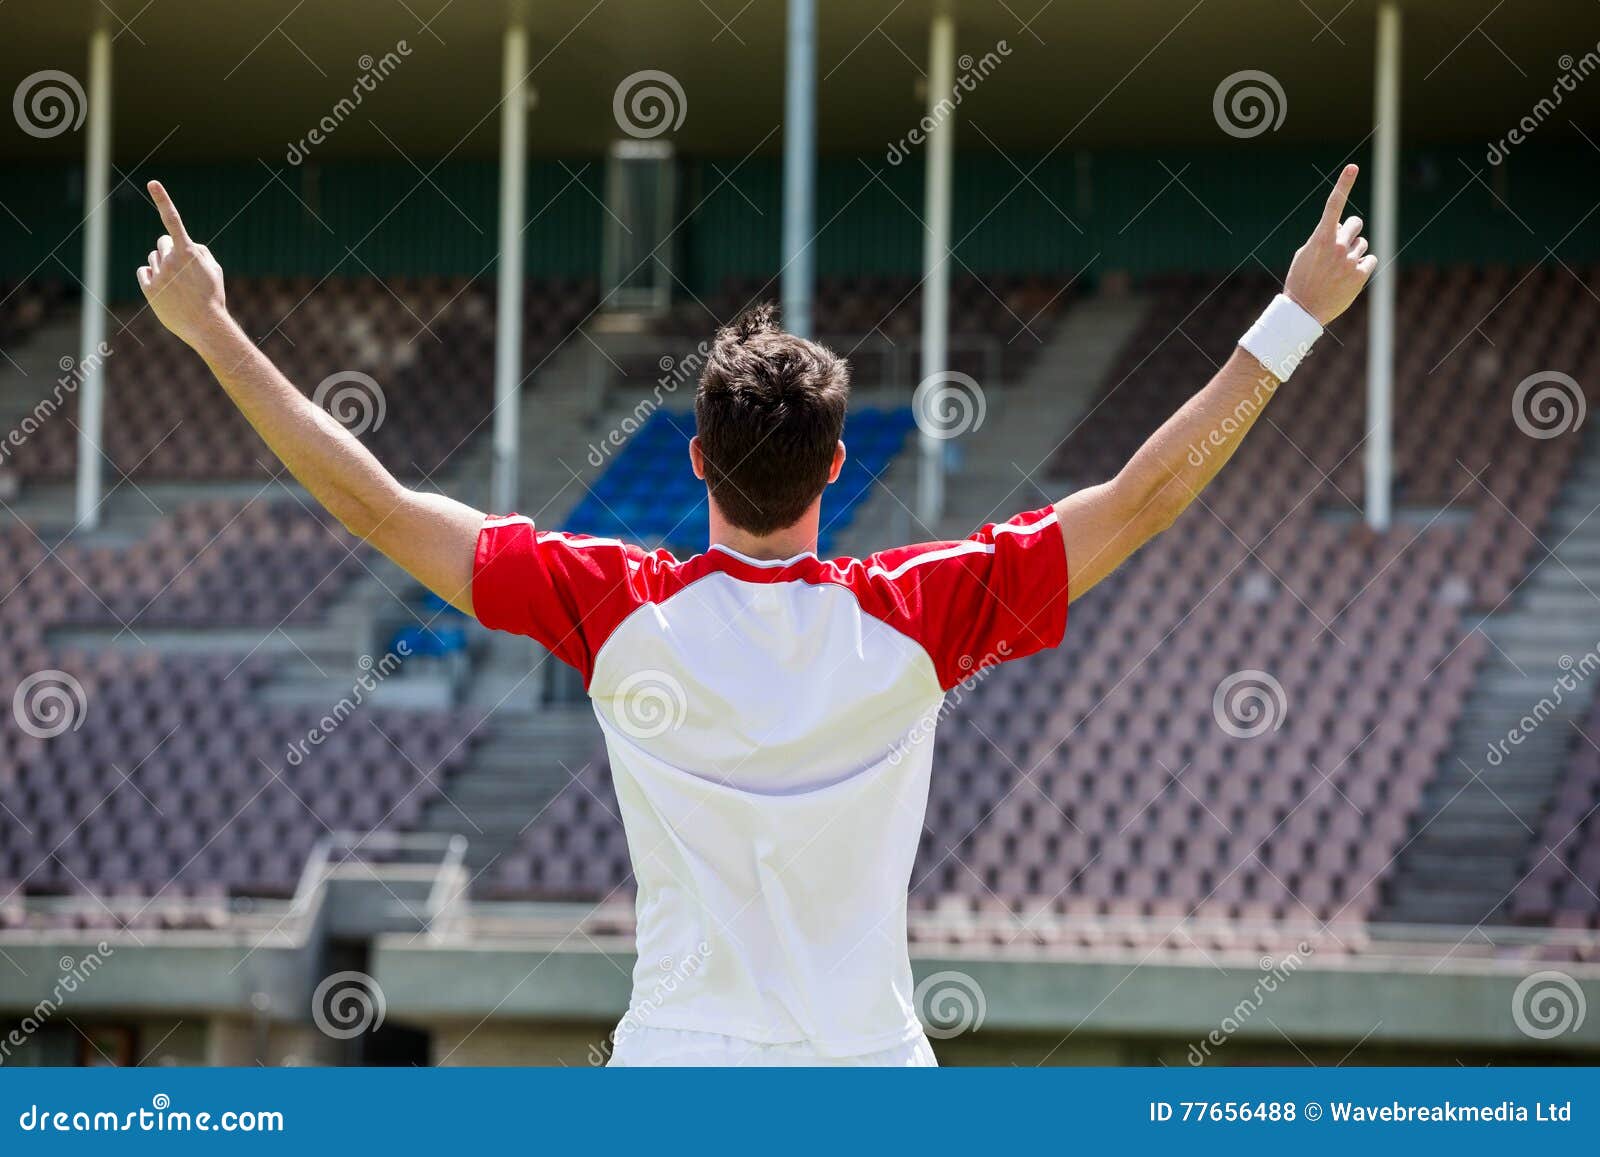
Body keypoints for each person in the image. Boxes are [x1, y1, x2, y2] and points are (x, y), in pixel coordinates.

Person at [135, 165, 1374, 1066]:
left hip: (679, 1064)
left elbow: (384, 507)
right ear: (839, 467)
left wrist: (212, 330)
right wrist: (1296, 313)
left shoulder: (618, 611)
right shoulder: (920, 616)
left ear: (692, 459)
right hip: (870, 1068)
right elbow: (1147, 493)